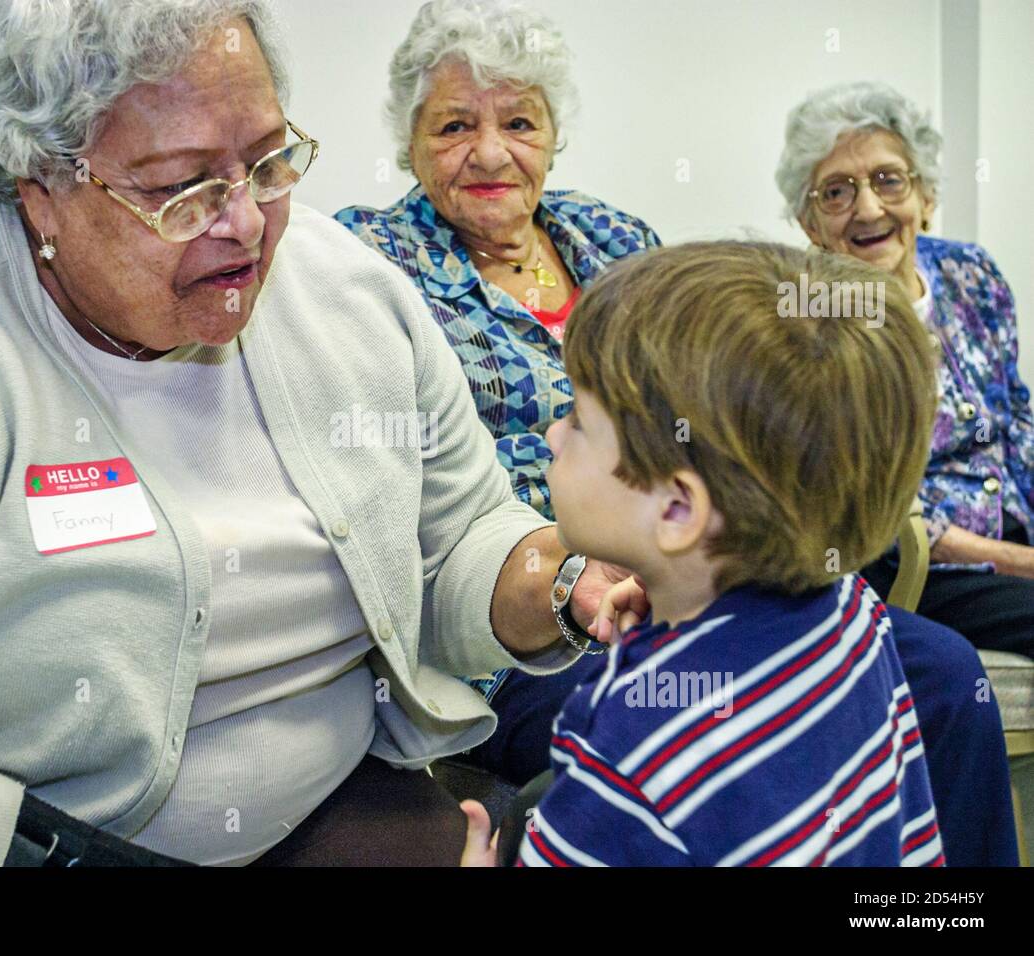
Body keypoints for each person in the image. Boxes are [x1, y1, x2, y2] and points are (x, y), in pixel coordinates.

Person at [0, 0, 643, 867]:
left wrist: (559, 580)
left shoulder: (348, 296)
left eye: (267, 161)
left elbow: (457, 541)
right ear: (38, 188)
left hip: (339, 801)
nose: (246, 223)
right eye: (180, 188)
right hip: (41, 839)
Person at [338, 1, 1019, 865]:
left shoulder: (612, 235)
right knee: (705, 735)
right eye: (454, 124)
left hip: (708, 567)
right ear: (409, 140)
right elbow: (385, 499)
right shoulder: (369, 265)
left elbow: (726, 388)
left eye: (518, 121)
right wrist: (569, 577)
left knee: (947, 676)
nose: (491, 150)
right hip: (521, 623)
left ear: (554, 134)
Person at [461, 241, 944, 866]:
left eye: (578, 419)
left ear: (678, 511)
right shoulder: (854, 611)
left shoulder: (629, 749)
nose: (553, 433)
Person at [777, 80, 1034, 658]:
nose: (869, 208)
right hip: (925, 567)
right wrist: (1022, 563)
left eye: (888, 180)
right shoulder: (811, 319)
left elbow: (1016, 421)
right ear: (809, 223)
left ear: (927, 196)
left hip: (1014, 533)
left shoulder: (971, 274)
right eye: (836, 192)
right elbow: (879, 506)